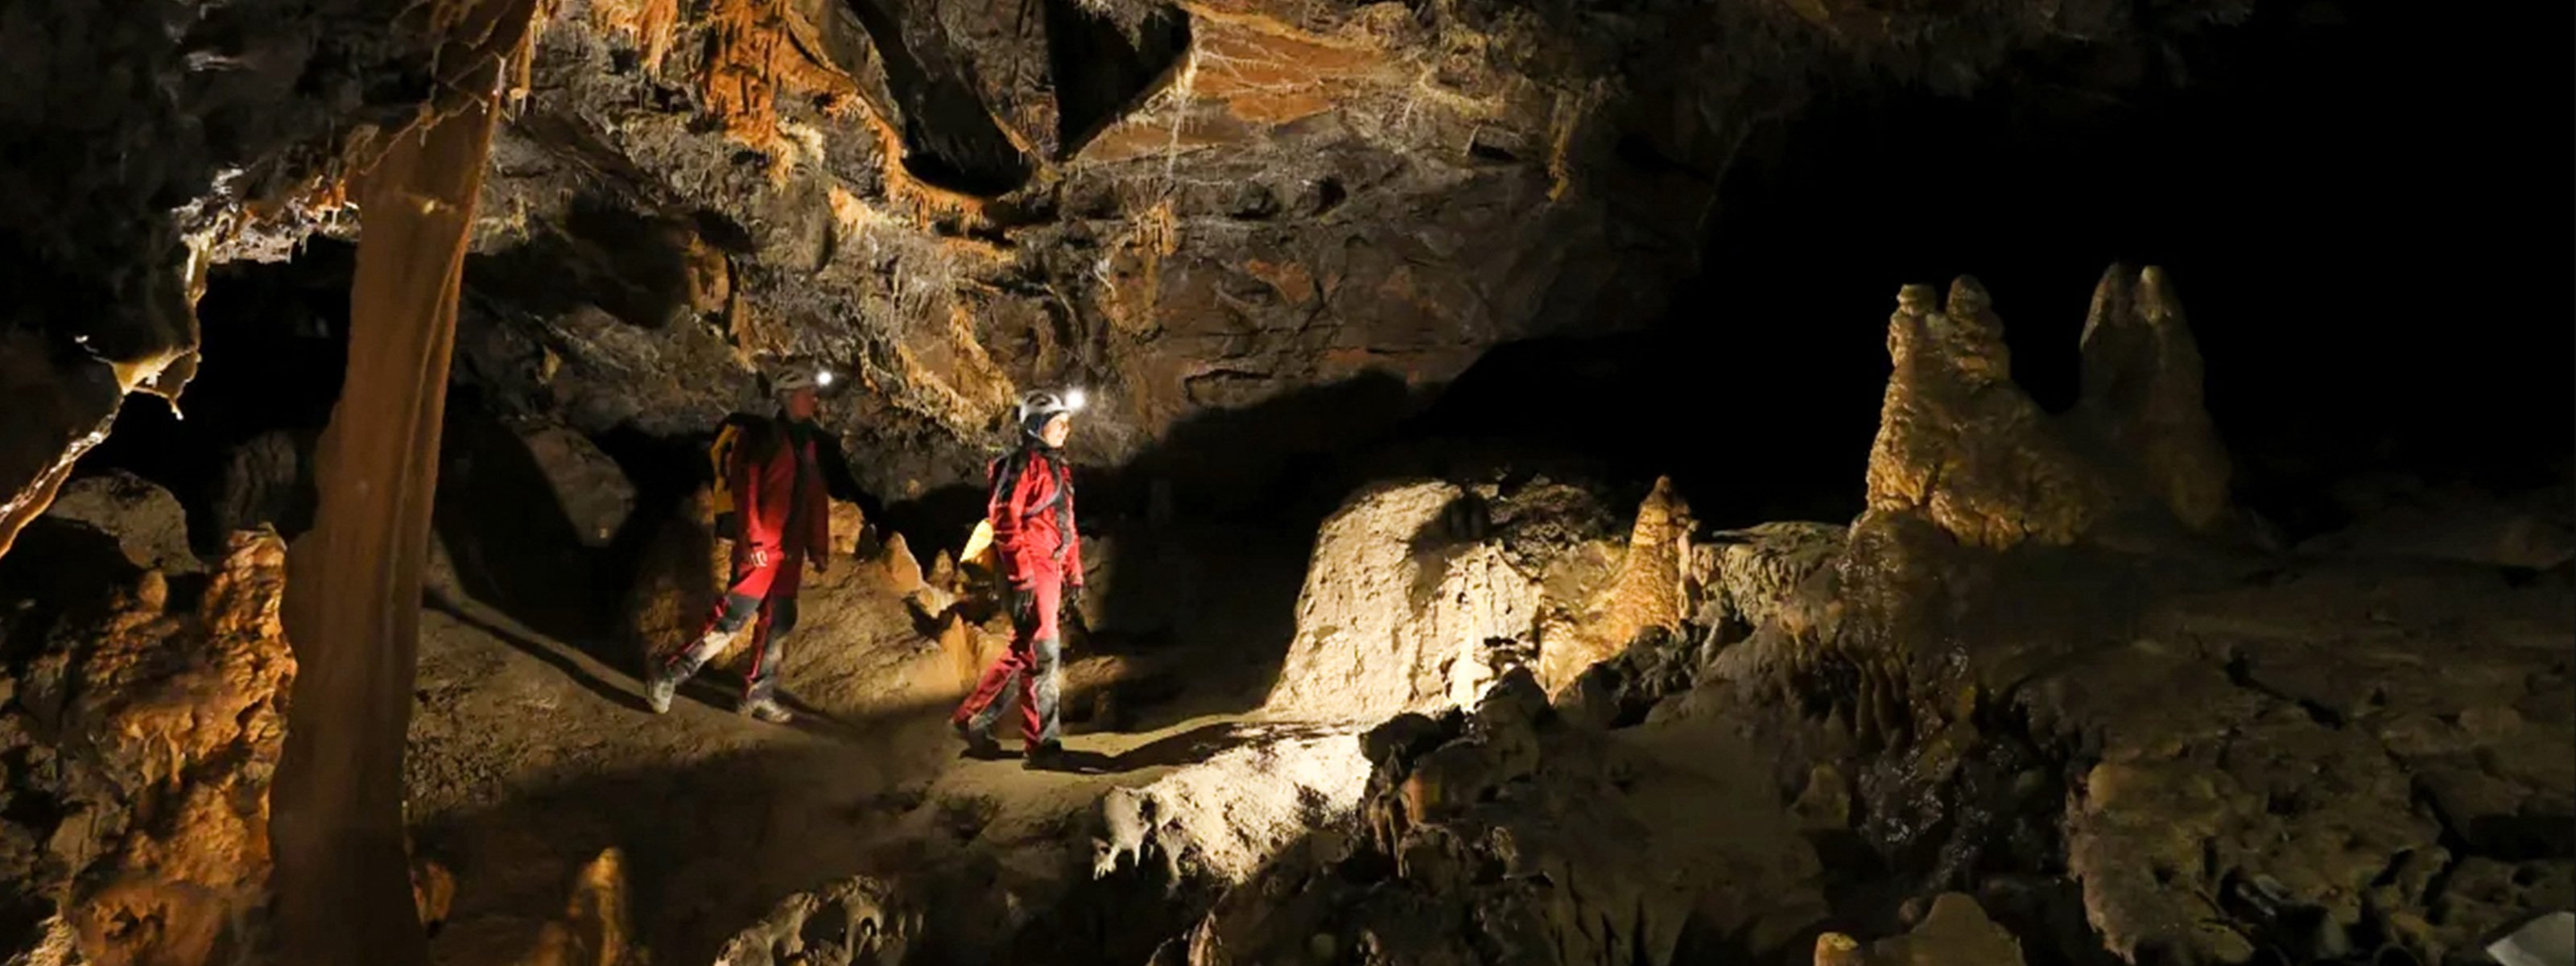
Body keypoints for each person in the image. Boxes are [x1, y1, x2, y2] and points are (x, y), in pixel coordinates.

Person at [646, 365, 836, 723]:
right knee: (733, 617)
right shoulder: (762, 437)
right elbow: (744, 490)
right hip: (764, 545)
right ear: (787, 397)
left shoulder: (806, 444)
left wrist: (818, 546)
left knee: (780, 619)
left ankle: (758, 693)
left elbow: (815, 496)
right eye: (807, 392)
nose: (814, 398)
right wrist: (751, 539)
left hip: (789, 552)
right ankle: (670, 672)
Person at [953, 389, 1088, 768]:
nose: (1066, 429)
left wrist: (1073, 573)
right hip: (1029, 566)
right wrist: (1022, 577)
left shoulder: (1058, 469)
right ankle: (1041, 746)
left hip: (1048, 568)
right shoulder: (1021, 465)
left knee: (1025, 649)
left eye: (1066, 423)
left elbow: (1067, 526)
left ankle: (972, 718)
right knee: (1043, 656)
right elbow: (1005, 519)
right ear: (1036, 427)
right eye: (1058, 423)